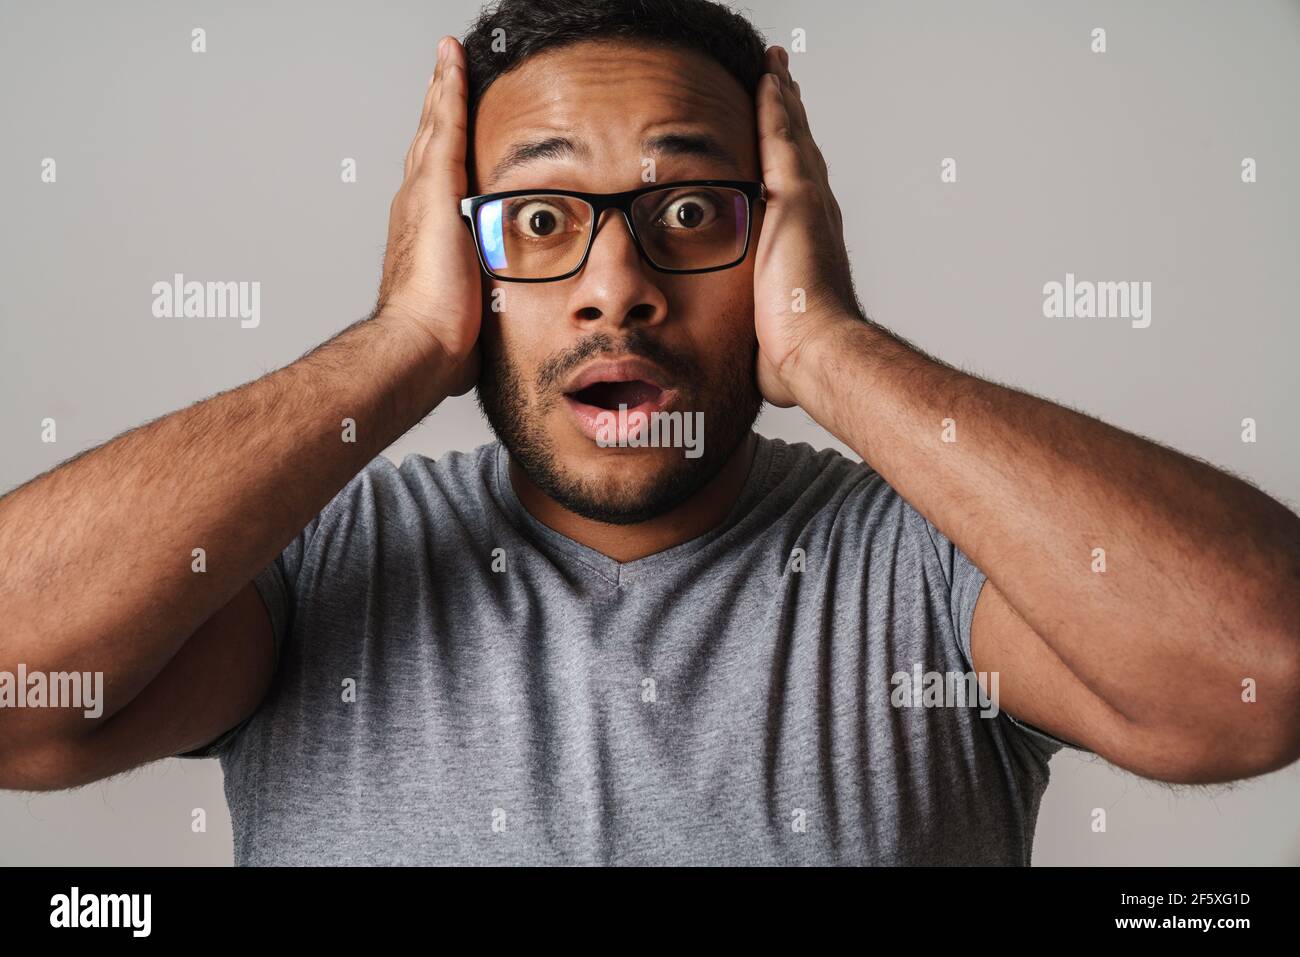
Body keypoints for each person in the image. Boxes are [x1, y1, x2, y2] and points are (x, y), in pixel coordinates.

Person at [1, 0, 1297, 865]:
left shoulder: (934, 574)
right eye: (543, 220)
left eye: (688, 212)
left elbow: (1262, 676)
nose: (617, 284)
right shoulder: (308, 571)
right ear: (464, 265)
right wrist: (397, 345)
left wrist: (834, 349)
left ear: (776, 237)